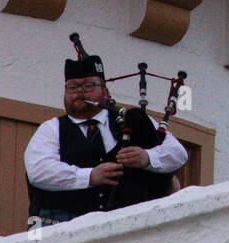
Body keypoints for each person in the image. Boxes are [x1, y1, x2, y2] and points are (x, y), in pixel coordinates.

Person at [25, 50, 188, 227]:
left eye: (89, 86)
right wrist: (89, 176)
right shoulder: (51, 128)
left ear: (105, 90)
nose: (80, 92)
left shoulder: (130, 120)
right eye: (72, 87)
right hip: (64, 228)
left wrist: (147, 157)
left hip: (126, 228)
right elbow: (39, 171)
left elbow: (178, 153)